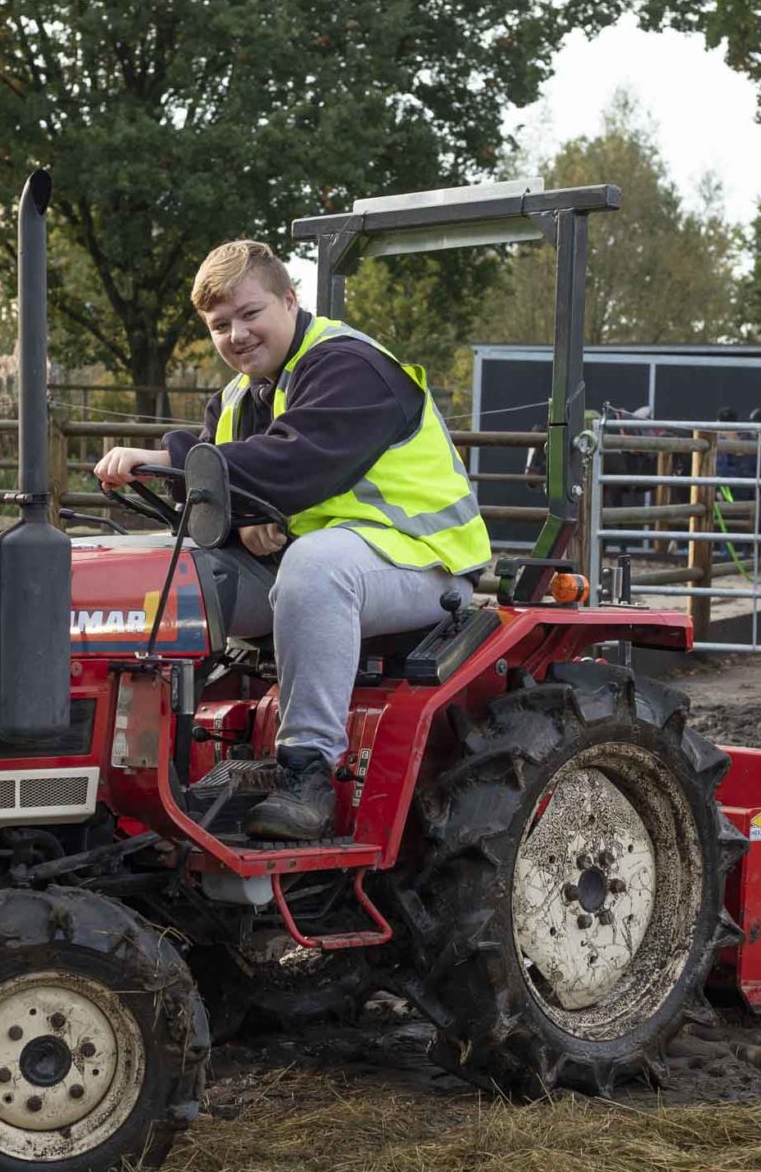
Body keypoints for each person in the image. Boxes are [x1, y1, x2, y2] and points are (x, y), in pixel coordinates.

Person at [93, 240, 490, 841]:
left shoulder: (349, 366)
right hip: (316, 560)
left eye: (250, 314)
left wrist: (166, 457)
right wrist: (237, 517)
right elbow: (218, 500)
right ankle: (131, 765)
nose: (238, 335)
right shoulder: (234, 398)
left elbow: (296, 463)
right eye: (220, 325)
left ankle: (306, 773)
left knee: (315, 567)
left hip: (419, 563)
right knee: (151, 570)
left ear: (288, 298)